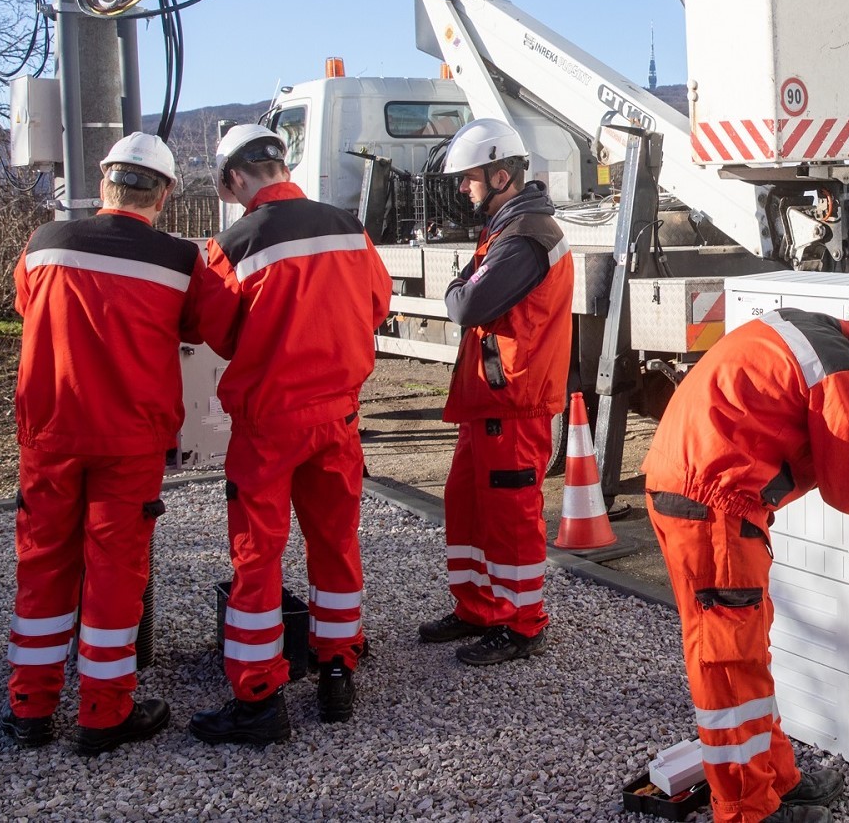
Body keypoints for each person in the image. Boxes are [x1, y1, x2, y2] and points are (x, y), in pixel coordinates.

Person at [641, 291, 849, 823]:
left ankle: (775, 781)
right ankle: (748, 810)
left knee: (746, 656)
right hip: (714, 511)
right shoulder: (842, 375)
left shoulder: (819, 334)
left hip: (702, 494)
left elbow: (835, 412)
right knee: (728, 665)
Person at [1, 133, 217, 756]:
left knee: (42, 563)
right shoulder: (179, 261)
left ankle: (30, 708)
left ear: (104, 182)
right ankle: (103, 711)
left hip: (51, 430)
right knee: (116, 570)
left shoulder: (44, 246)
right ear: (166, 194)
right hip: (130, 438)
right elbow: (199, 327)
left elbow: (25, 306)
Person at [186, 124, 393, 745]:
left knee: (257, 559)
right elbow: (377, 302)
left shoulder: (232, 244)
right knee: (335, 545)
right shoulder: (347, 227)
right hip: (339, 416)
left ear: (232, 180)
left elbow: (215, 332)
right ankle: (337, 671)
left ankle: (258, 699)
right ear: (282, 164)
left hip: (269, 424)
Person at [415, 118, 575, 666]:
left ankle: (523, 621)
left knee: (509, 518)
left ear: (501, 176)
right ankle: (478, 607)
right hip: (492, 403)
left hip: (513, 404)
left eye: (470, 178)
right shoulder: (512, 229)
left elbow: (465, 306)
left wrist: (460, 286)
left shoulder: (526, 237)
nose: (463, 188)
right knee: (468, 506)